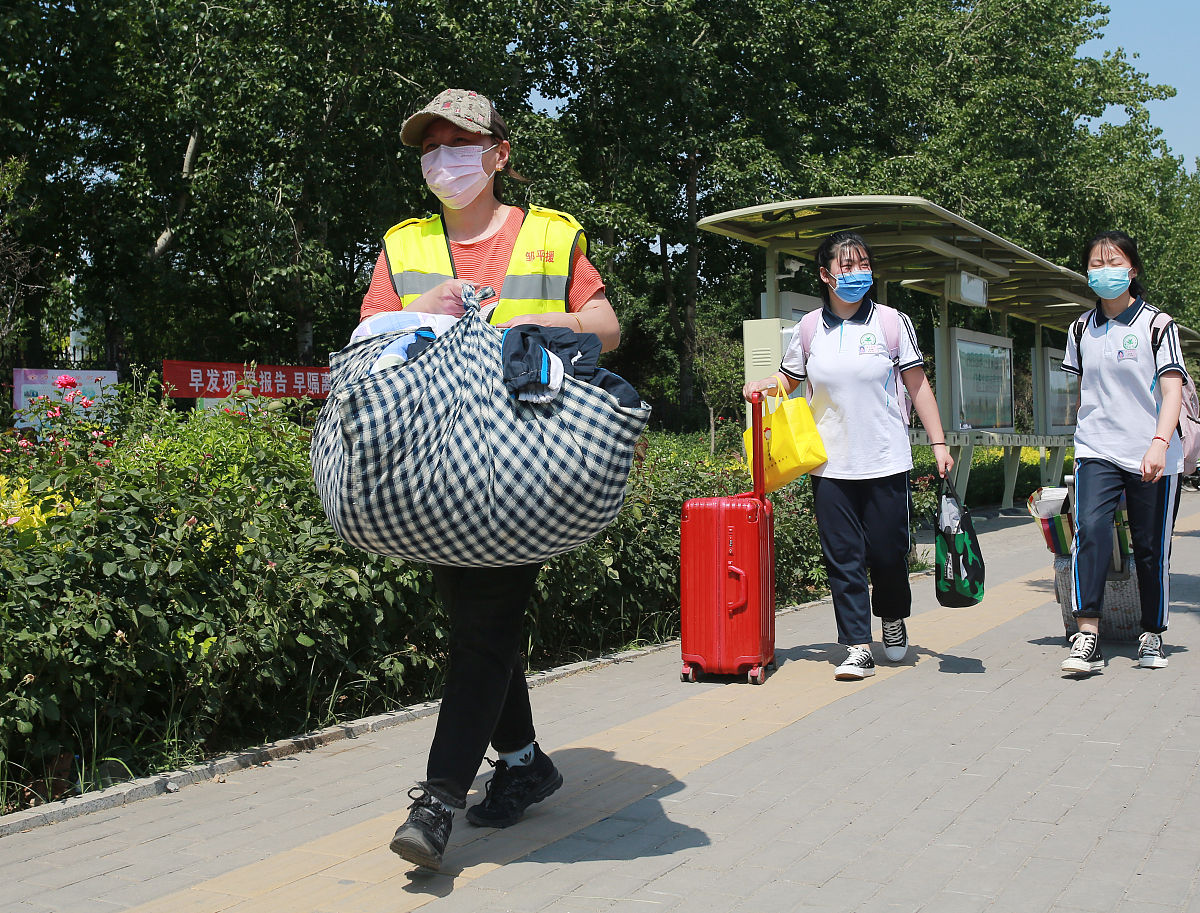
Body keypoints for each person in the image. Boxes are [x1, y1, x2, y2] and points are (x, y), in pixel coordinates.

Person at [373, 88, 622, 871]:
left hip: (524, 465)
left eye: (460, 142)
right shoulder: (403, 245)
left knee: (483, 623)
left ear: (498, 155)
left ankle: (439, 799)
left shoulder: (548, 236)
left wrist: (536, 326)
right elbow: (365, 334)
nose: (444, 157)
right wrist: (424, 311)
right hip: (438, 468)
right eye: (432, 145)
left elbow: (609, 327)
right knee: (478, 622)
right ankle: (523, 761)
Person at [742, 231, 953, 681]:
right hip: (830, 463)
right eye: (847, 266)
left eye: (863, 265)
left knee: (889, 555)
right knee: (843, 556)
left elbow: (917, 385)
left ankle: (892, 619)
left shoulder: (893, 323)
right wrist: (763, 385)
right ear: (825, 274)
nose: (858, 274)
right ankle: (857, 644)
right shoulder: (809, 328)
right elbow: (788, 379)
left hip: (885, 459)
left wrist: (938, 443)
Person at [1060, 230, 1186, 676]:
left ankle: (1151, 633)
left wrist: (1159, 442)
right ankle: (1087, 633)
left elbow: (1172, 390)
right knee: (1090, 530)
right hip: (1097, 448)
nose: (1103, 270)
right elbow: (1083, 393)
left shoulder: (1157, 325)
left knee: (1151, 548)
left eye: (1113, 262)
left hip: (1153, 454)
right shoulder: (1080, 328)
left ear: (1131, 270)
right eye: (1095, 263)